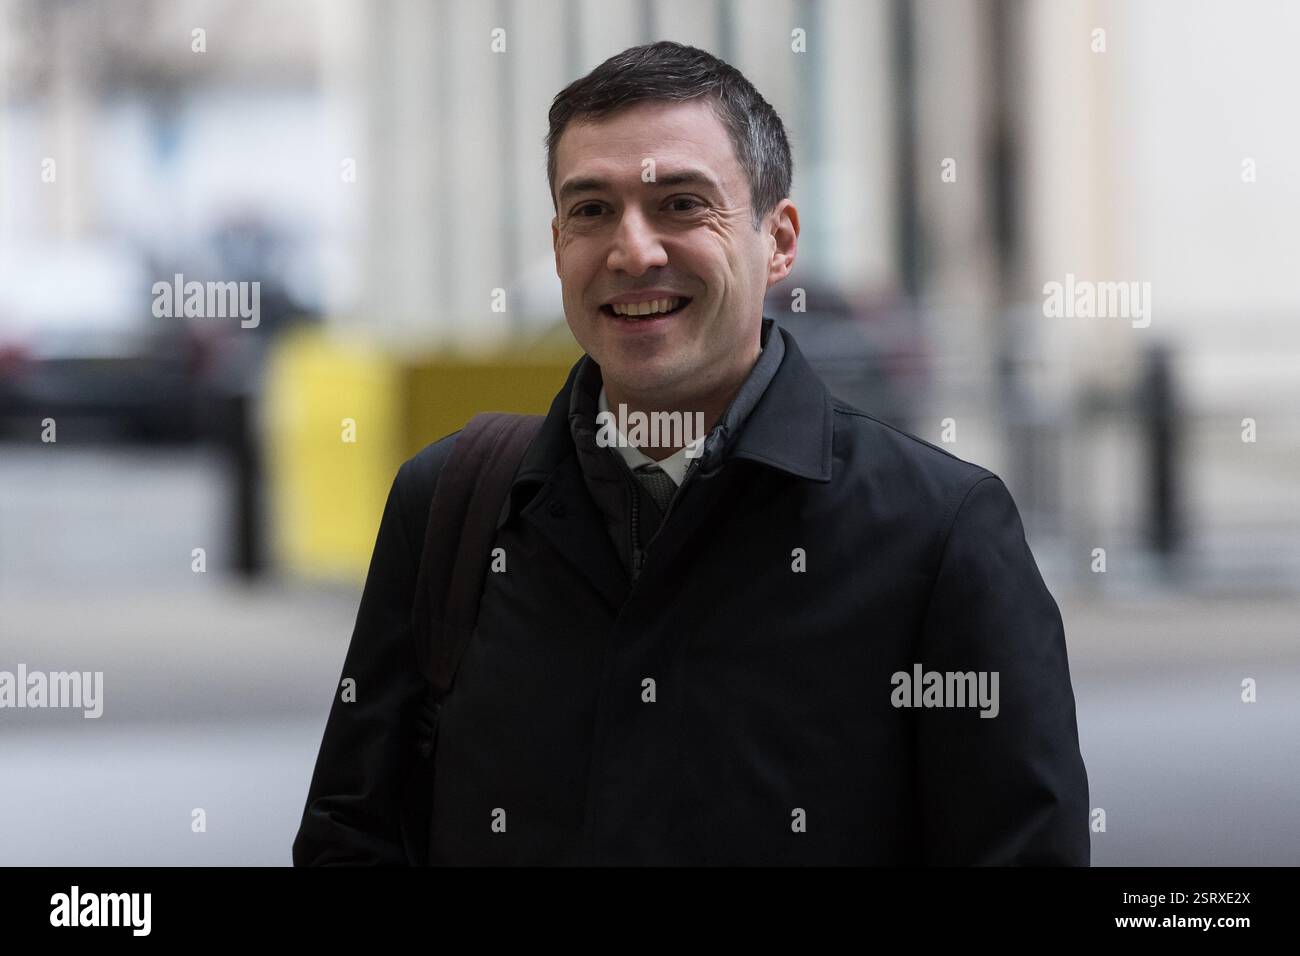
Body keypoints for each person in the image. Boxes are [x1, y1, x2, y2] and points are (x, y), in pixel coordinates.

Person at [293, 40, 1089, 866]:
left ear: (778, 241)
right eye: (591, 210)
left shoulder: (939, 533)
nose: (632, 251)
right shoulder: (451, 504)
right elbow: (351, 836)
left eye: (680, 204)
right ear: (558, 242)